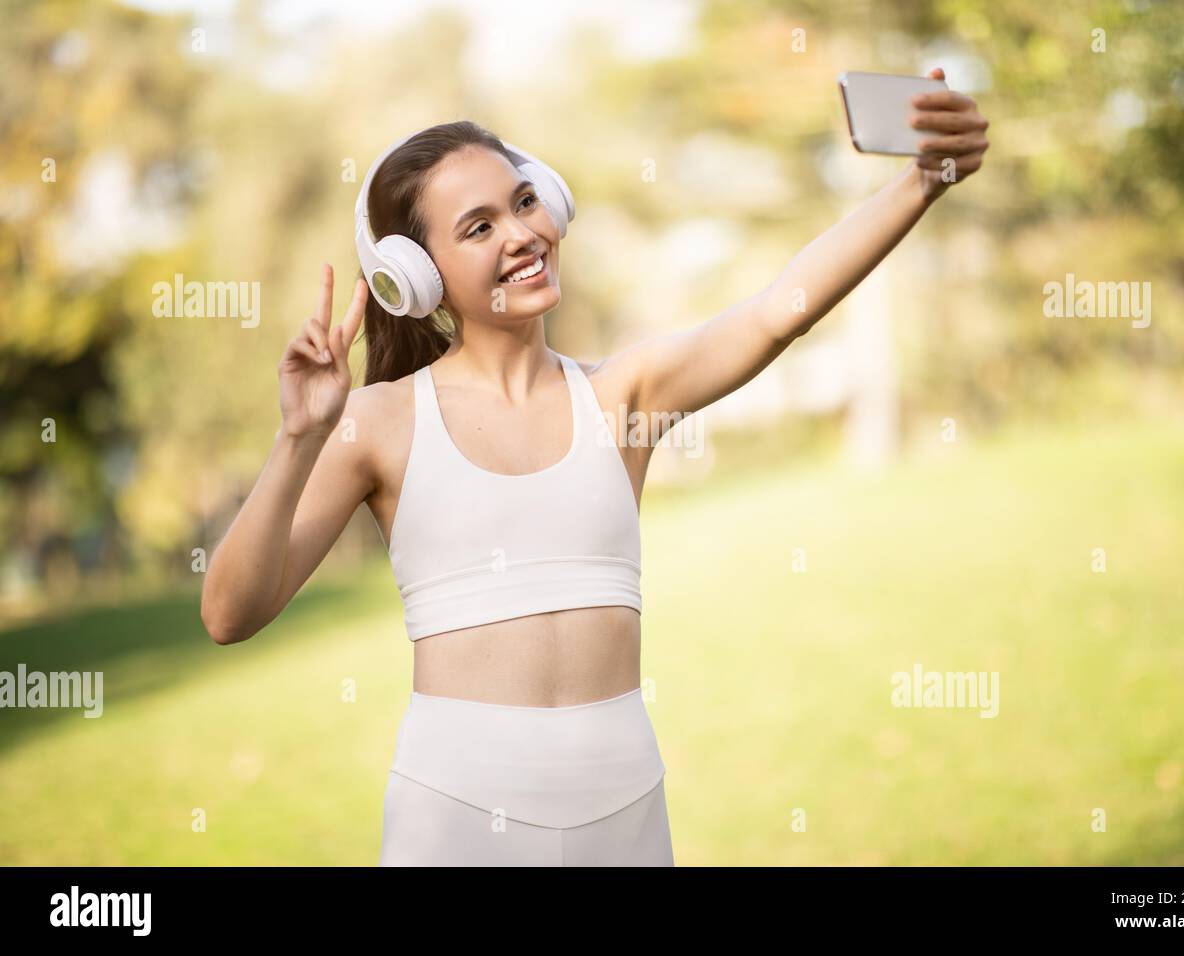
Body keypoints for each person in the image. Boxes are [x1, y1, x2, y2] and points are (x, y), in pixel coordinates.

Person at [198, 67, 989, 866]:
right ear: (419, 278)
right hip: (458, 819)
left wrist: (921, 184)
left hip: (626, 812)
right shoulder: (377, 422)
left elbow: (777, 311)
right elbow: (229, 615)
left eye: (523, 202)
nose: (519, 235)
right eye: (477, 228)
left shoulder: (623, 397)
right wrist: (299, 438)